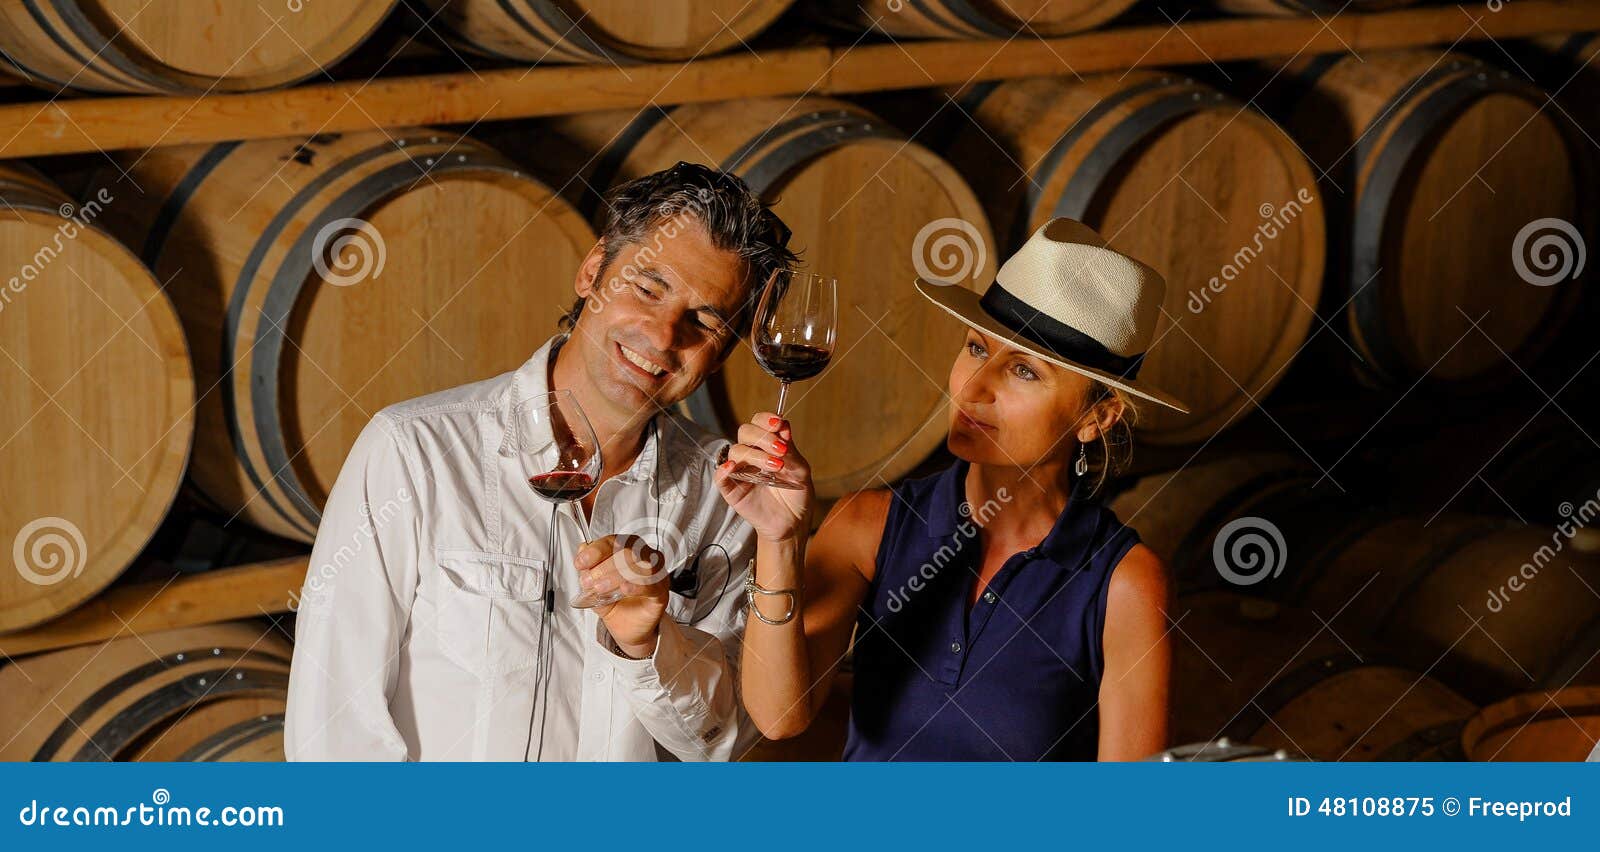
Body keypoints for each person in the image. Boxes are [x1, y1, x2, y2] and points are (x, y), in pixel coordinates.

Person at [285, 162, 796, 761]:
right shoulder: (414, 450)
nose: (662, 336)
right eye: (648, 288)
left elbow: (722, 741)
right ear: (592, 271)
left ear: (728, 348)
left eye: (705, 319)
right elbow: (335, 734)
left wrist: (649, 646)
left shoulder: (727, 493)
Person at [718, 218, 1186, 761]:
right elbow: (778, 715)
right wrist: (778, 540)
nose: (975, 386)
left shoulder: (1124, 582)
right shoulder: (870, 524)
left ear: (1095, 419)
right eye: (976, 347)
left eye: (1025, 372)